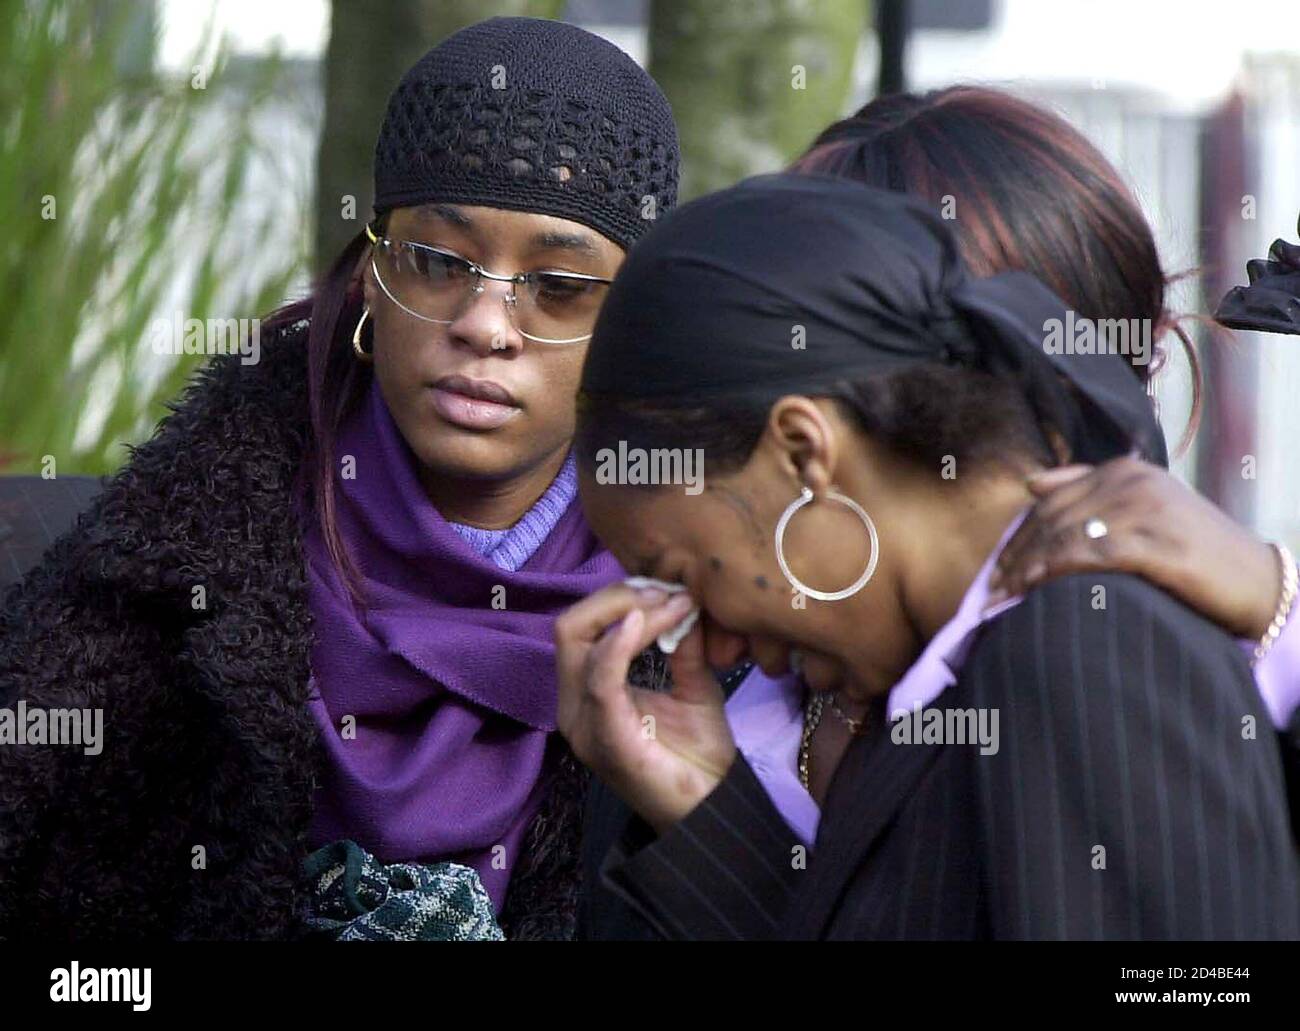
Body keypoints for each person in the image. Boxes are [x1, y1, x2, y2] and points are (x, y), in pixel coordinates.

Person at [0, 17, 678, 940]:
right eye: (442, 263)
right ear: (371, 272)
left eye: (558, 285)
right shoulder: (150, 582)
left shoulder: (719, 628)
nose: (487, 323)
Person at [558, 173, 1300, 939]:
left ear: (804, 452)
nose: (719, 646)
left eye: (681, 576)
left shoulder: (1078, 641)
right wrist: (710, 810)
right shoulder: (939, 692)